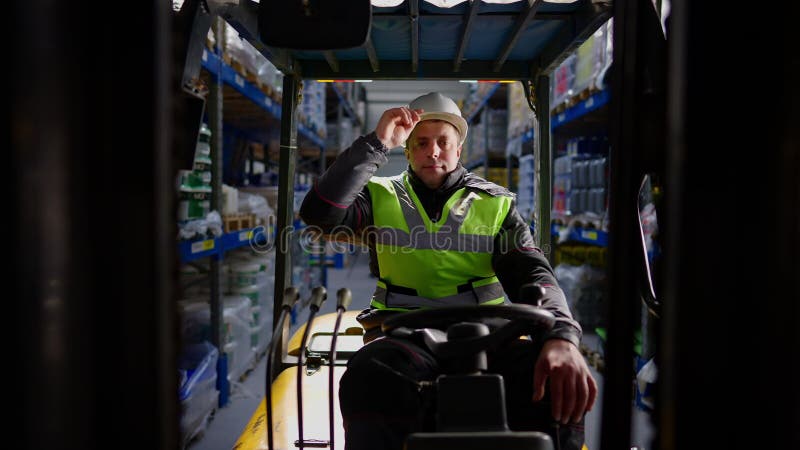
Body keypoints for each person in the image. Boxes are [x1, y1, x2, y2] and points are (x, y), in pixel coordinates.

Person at [299, 92, 597, 450]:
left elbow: (533, 273)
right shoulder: (378, 198)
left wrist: (561, 336)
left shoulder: (495, 205)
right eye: (421, 143)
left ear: (458, 151)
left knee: (553, 377)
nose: (433, 151)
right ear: (407, 150)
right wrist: (377, 144)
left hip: (491, 333)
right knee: (369, 375)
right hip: (404, 333)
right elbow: (320, 212)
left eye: (444, 142)